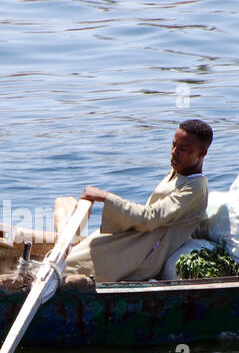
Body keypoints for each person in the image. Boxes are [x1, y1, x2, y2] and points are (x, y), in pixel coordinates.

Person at [63, 120, 212, 282]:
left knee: (70, 265)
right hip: (137, 238)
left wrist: (104, 197)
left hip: (143, 254)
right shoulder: (178, 173)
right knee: (64, 203)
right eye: (173, 145)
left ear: (202, 153)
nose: (174, 152)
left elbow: (152, 217)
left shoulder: (195, 188)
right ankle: (61, 252)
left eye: (182, 149)